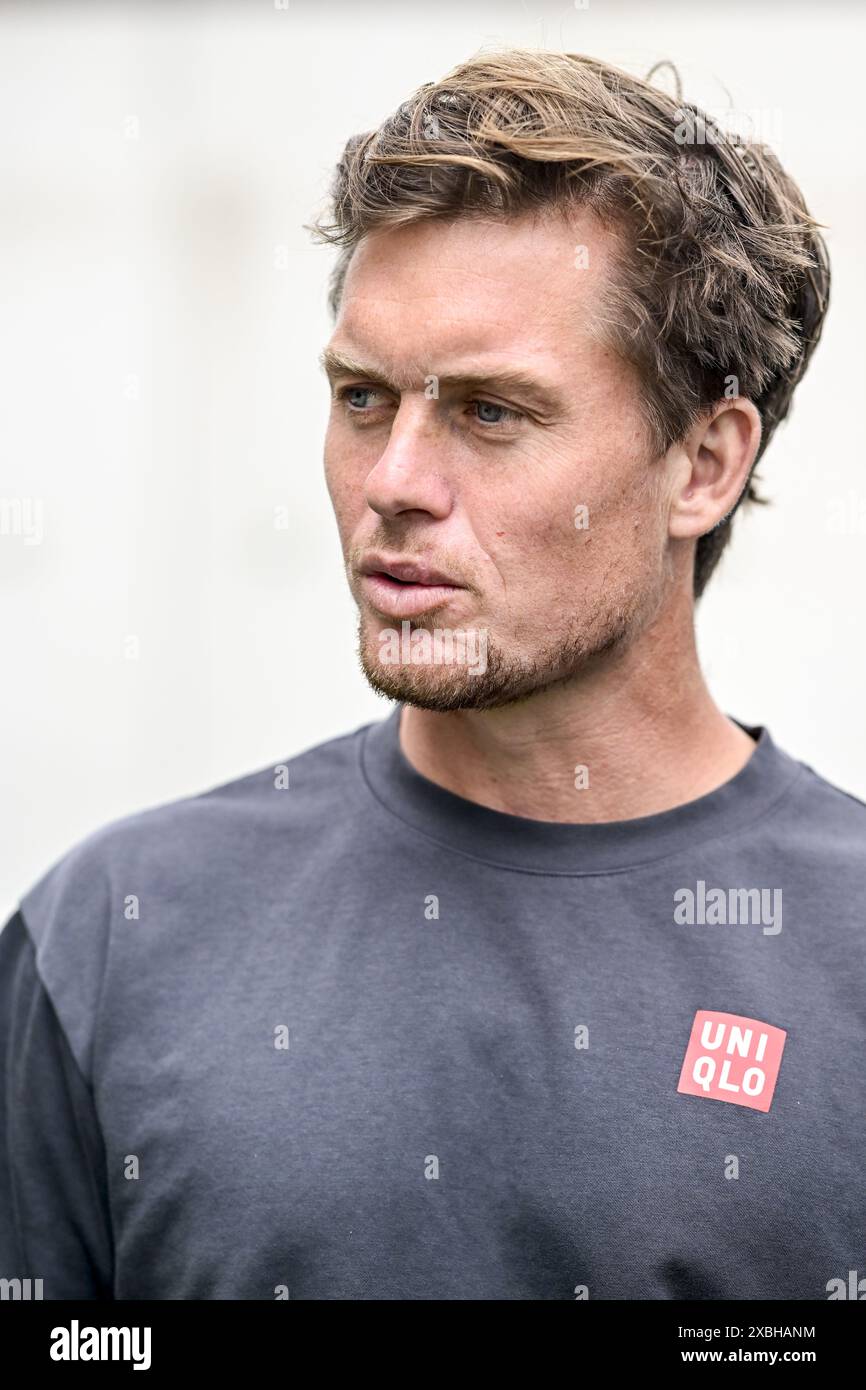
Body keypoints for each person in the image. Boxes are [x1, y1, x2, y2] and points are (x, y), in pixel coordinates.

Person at [2, 48, 862, 1302]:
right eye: (361, 396)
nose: (393, 481)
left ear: (702, 464)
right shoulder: (111, 935)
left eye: (491, 412)